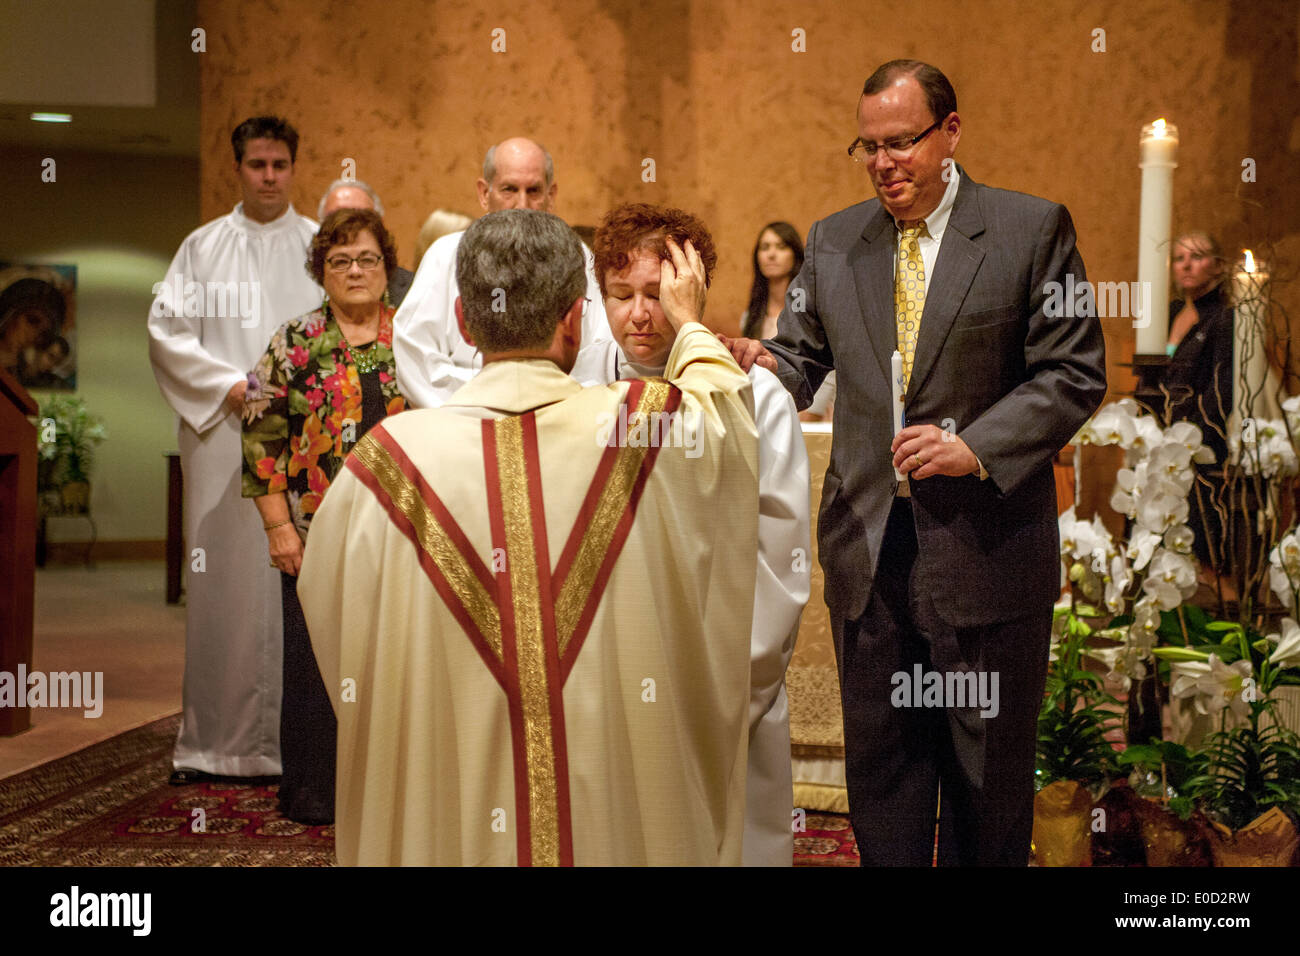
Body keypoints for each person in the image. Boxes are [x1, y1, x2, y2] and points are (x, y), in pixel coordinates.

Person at [726, 60, 1107, 865]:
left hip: (986, 551)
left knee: (986, 790)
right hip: (872, 558)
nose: (883, 163)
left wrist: (975, 448)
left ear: (951, 132)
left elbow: (1073, 372)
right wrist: (755, 361)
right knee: (885, 787)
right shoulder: (833, 241)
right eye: (867, 147)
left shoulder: (1028, 229)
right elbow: (801, 361)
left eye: (900, 142)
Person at [298, 210, 760, 866]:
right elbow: (726, 417)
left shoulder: (381, 467)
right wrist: (688, 323)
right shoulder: (644, 428)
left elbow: (336, 631)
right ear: (576, 318)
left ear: (462, 320)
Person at [585, 203, 809, 866]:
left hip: (723, 675)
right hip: (612, 676)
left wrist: (739, 677)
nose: (639, 315)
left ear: (695, 291)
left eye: (658, 295)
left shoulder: (752, 394)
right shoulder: (582, 393)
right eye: (620, 296)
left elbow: (780, 545)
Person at [147, 116, 322, 785]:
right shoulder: (202, 248)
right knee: (223, 590)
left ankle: (297, 747)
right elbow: (166, 333)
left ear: (294, 166)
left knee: (300, 591)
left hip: (302, 440)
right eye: (258, 165)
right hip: (222, 438)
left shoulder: (317, 245)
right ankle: (213, 746)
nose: (270, 176)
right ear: (238, 168)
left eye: (280, 164)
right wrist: (228, 386)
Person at [241, 208, 406, 824]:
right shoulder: (293, 342)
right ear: (321, 272)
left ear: (387, 266)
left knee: (393, 662)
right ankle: (315, 791)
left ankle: (391, 794)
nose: (355, 270)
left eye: (367, 258)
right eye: (339, 261)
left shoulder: (410, 335)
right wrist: (278, 527)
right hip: (314, 537)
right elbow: (259, 439)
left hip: (403, 536)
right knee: (313, 665)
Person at [392, 136, 613, 408]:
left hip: (557, 419)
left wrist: (553, 406)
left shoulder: (575, 254)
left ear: (551, 195)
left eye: (534, 191)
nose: (522, 204)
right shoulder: (446, 255)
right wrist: (486, 406)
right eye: (509, 189)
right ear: (484, 194)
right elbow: (415, 354)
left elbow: (599, 351)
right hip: (464, 422)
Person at [1164, 231, 1232, 568]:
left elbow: (1223, 388)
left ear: (1218, 266)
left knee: (1197, 536)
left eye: (1197, 256)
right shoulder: (1170, 312)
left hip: (1198, 441)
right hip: (1161, 436)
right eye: (1179, 258)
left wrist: (1194, 434)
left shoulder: (1224, 317)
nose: (1187, 264)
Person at [741, 222, 836, 422]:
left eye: (781, 246)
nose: (771, 254)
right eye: (765, 247)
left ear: (795, 254)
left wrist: (809, 414)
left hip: (811, 415)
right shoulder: (750, 316)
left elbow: (821, 364)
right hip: (768, 414)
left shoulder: (809, 308)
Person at [318, 179, 415, 307]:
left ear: (380, 226)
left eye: (361, 218)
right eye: (335, 218)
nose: (348, 228)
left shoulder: (414, 292)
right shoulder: (301, 287)